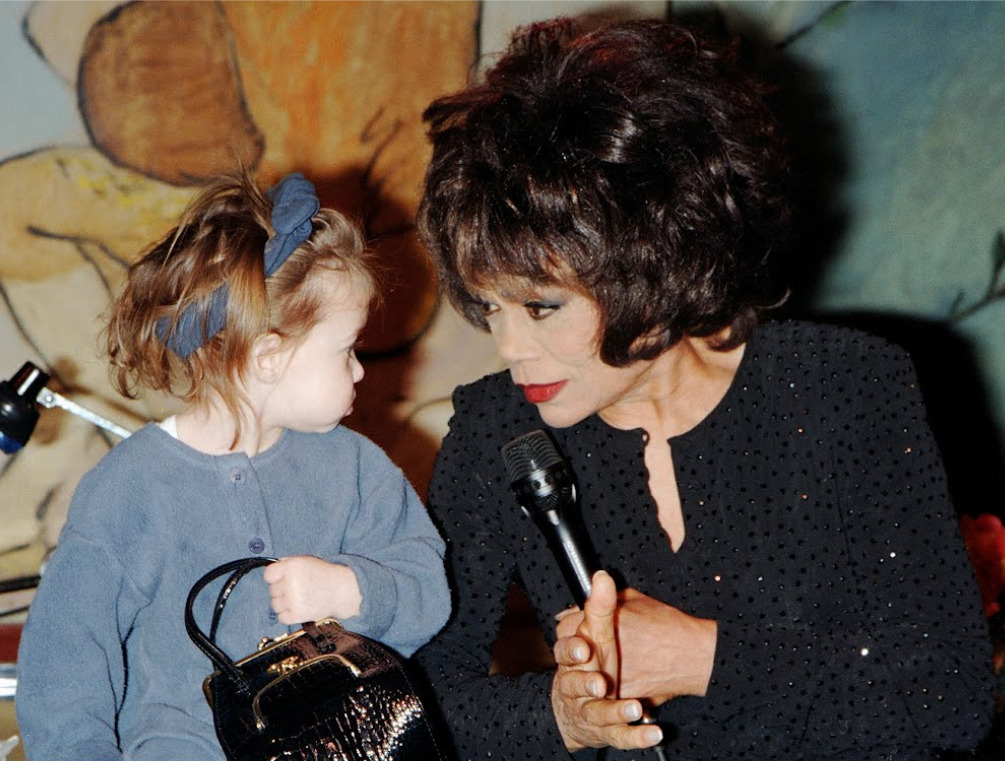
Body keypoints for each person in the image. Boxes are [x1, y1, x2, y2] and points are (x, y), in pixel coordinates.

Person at [413, 16, 997, 760]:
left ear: (655, 255)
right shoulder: (497, 431)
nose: (507, 347)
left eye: (540, 306)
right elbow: (418, 701)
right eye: (488, 307)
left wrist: (701, 658)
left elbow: (948, 699)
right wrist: (556, 716)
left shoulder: (845, 388)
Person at [15, 171, 450, 760]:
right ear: (269, 356)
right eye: (346, 349)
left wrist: (352, 588)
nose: (358, 372)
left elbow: (428, 586)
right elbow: (66, 662)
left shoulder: (355, 467)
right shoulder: (128, 489)